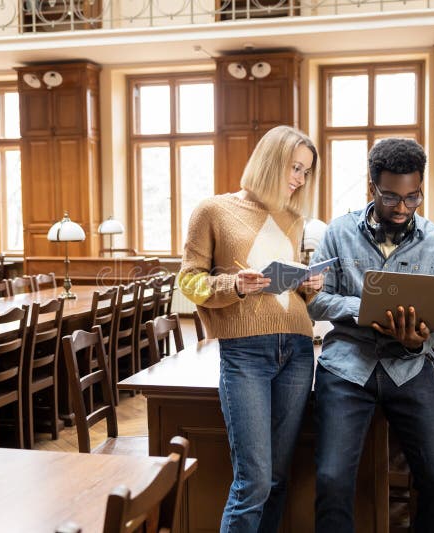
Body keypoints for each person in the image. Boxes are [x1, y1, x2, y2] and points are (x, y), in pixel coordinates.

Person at [178, 125, 324, 533]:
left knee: (277, 480)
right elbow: (189, 280)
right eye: (294, 167)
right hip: (245, 354)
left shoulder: (294, 219)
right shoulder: (213, 210)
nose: (299, 178)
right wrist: (234, 286)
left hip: (297, 351)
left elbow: (287, 293)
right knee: (253, 481)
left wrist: (309, 288)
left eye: (306, 171)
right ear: (268, 160)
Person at [308, 137, 434, 532]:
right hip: (346, 367)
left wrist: (418, 340)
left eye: (413, 198)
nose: (403, 208)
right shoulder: (337, 233)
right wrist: (364, 311)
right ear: (371, 187)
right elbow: (314, 300)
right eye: (391, 198)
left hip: (409, 367)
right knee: (332, 480)